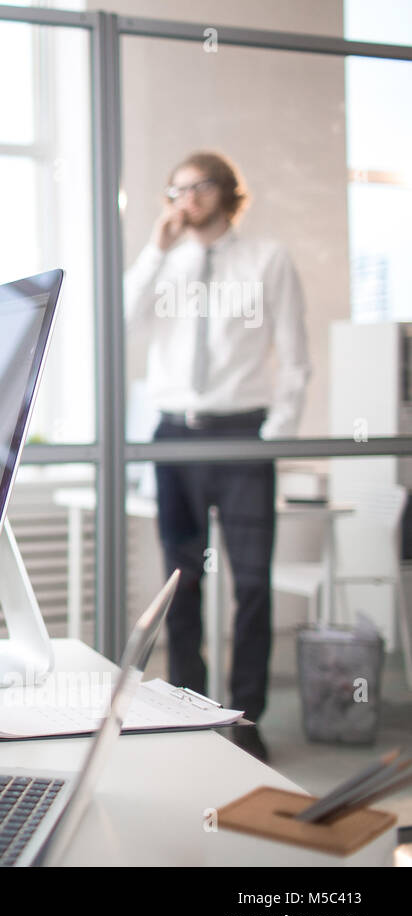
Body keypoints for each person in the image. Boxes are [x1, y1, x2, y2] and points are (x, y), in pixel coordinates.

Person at [123, 151, 310, 763]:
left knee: (252, 583)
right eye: (175, 189)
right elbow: (120, 322)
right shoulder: (165, 263)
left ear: (228, 192)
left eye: (198, 186)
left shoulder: (267, 258)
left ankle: (247, 718)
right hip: (174, 435)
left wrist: (273, 435)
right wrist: (155, 248)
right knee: (182, 582)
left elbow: (296, 354)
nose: (186, 198)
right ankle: (189, 710)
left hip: (241, 435)